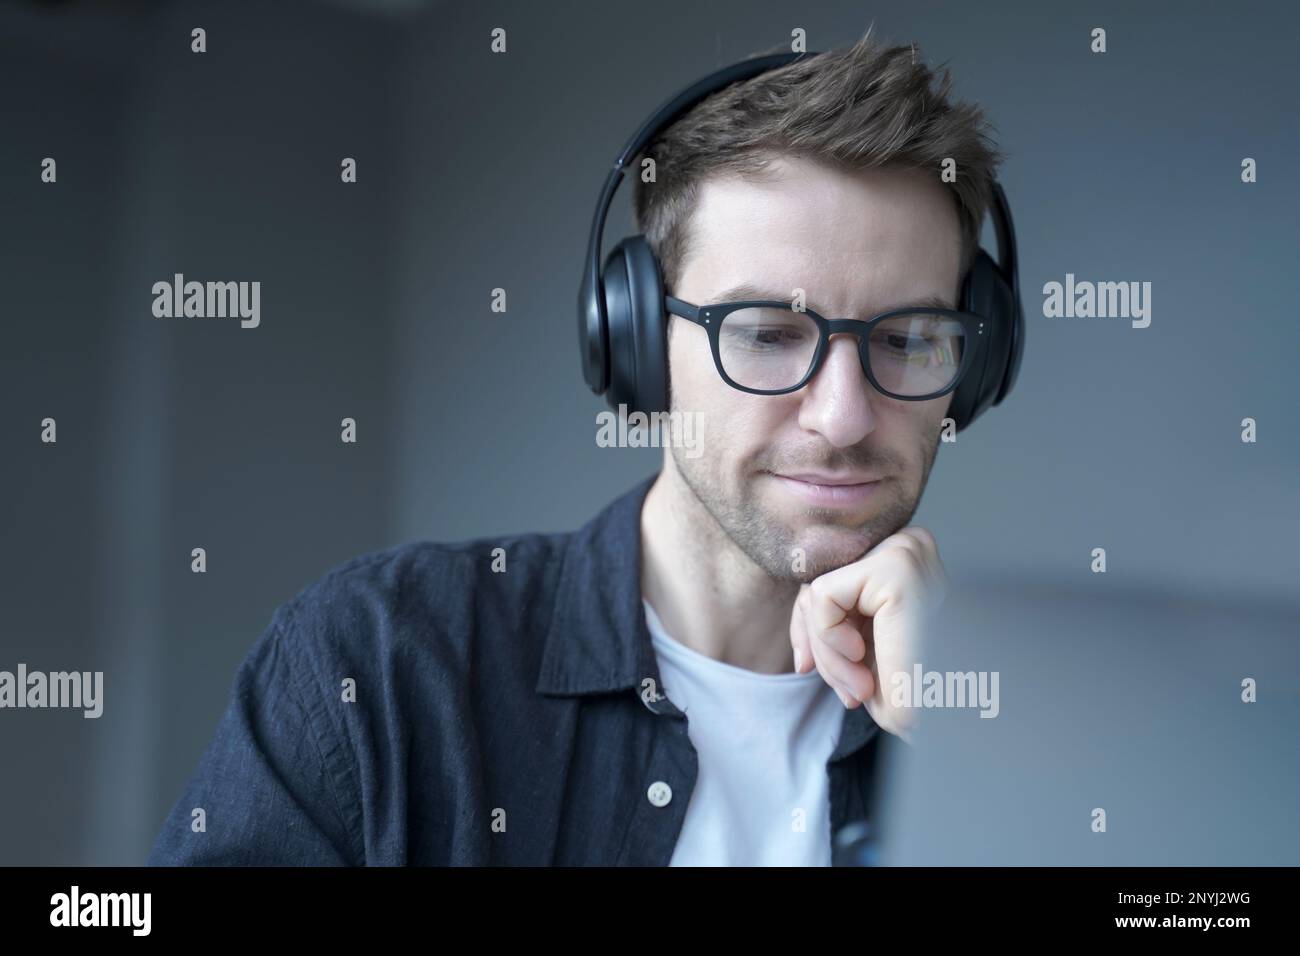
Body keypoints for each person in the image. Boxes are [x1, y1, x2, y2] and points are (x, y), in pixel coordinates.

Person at [148, 30, 1015, 867]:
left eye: (906, 340)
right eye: (767, 334)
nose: (843, 417)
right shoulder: (373, 663)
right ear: (633, 345)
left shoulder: (1006, 728)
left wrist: (975, 766)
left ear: (972, 368)